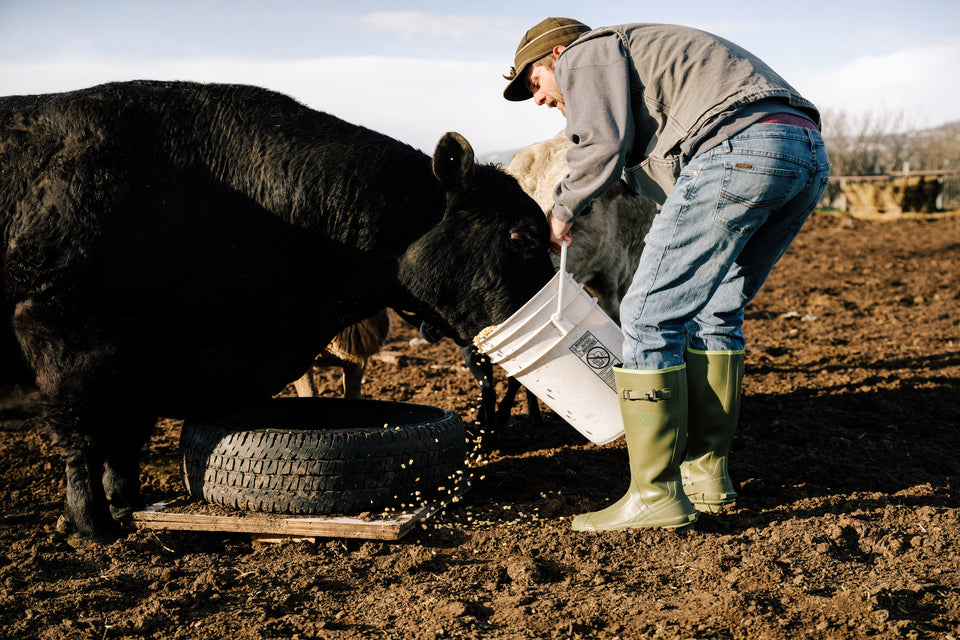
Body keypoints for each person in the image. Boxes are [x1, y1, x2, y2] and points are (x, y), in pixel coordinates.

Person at [503, 18, 830, 532]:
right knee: (716, 313)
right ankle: (707, 476)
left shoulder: (585, 54)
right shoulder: (644, 61)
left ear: (558, 54)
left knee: (646, 314)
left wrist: (561, 210)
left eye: (535, 82)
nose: (539, 98)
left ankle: (653, 493)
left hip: (738, 151)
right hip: (801, 150)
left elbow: (601, 146)